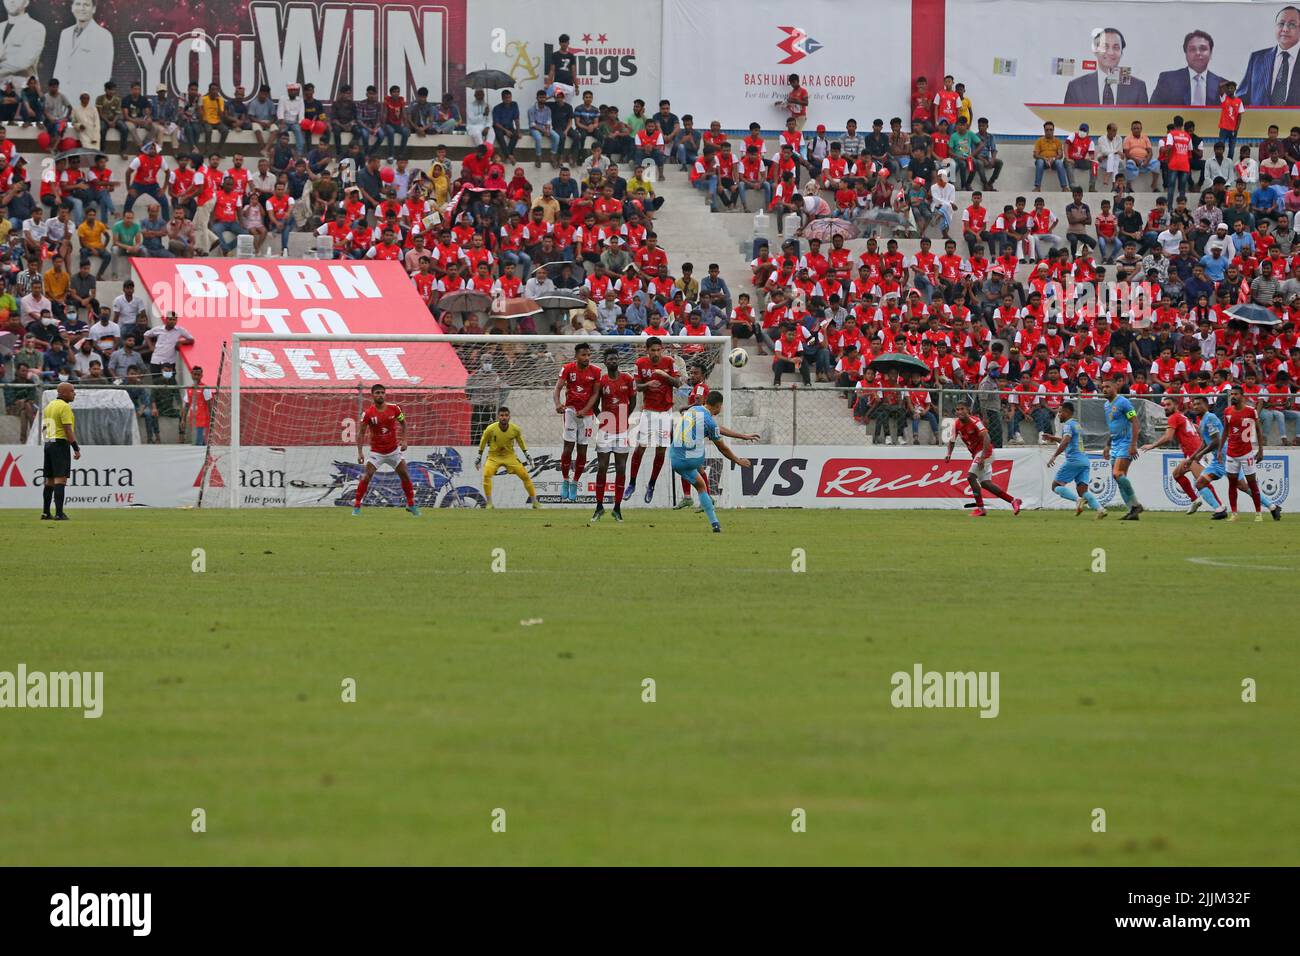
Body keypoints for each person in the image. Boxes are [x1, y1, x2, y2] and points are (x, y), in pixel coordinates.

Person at [669, 391, 754, 533]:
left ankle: (715, 524)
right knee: (701, 449)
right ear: (718, 406)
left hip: (675, 460)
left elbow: (716, 428)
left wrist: (742, 436)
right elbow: (722, 448)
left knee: (701, 486)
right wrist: (737, 460)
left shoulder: (693, 409)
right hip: (693, 459)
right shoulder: (709, 422)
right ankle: (709, 506)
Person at [1188, 393, 1281, 521]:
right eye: (1194, 404)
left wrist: (1200, 454)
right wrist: (1193, 457)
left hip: (1226, 456)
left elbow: (1216, 441)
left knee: (1242, 486)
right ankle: (1220, 510)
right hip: (1218, 460)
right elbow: (1205, 442)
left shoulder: (1210, 418)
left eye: (1199, 404)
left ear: (1207, 405)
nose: (1196, 406)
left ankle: (1271, 506)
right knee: (1200, 483)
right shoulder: (1202, 420)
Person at [1141, 394, 1222, 513]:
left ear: (1176, 405)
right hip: (1192, 452)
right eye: (1164, 405)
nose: (1165, 407)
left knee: (1202, 482)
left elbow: (1168, 437)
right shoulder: (1182, 417)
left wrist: (1152, 445)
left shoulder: (1174, 417)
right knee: (1177, 474)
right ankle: (1195, 500)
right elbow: (1196, 428)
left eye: (1168, 405)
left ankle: (1220, 508)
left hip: (1194, 453)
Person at [945, 399, 1021, 517]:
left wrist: (982, 456)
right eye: (957, 409)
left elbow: (987, 438)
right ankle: (1013, 501)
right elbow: (952, 441)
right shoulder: (956, 424)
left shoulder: (975, 421)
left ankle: (981, 509)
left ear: (968, 410)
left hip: (985, 452)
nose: (959, 412)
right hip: (977, 454)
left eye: (962, 409)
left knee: (970, 476)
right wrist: (949, 453)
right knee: (986, 484)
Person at [352, 383, 419, 516]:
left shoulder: (395, 409)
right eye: (377, 393)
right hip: (377, 452)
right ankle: (357, 505)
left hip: (393, 451)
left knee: (405, 474)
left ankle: (411, 504)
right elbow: (361, 433)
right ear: (372, 395)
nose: (380, 395)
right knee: (367, 476)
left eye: (382, 393)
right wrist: (360, 452)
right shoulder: (368, 413)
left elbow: (404, 424)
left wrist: (404, 440)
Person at [626, 335, 679, 502]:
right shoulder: (640, 363)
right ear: (647, 350)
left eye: (658, 350)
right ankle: (632, 483)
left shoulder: (669, 362)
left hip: (666, 412)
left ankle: (651, 484)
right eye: (653, 350)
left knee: (661, 450)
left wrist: (664, 375)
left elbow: (678, 383)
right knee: (640, 447)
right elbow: (636, 386)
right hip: (648, 411)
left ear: (661, 349)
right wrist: (648, 384)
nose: (656, 353)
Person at [589, 348, 636, 524]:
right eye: (610, 359)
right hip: (605, 430)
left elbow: (633, 402)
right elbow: (594, 404)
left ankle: (617, 508)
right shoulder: (601, 381)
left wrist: (624, 417)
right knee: (602, 467)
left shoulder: (628, 379)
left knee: (621, 468)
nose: (613, 361)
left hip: (622, 430)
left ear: (619, 360)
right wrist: (602, 418)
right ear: (605, 362)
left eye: (615, 358)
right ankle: (599, 506)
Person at [552, 341, 601, 502]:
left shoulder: (596, 371)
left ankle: (575, 482)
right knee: (568, 448)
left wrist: (586, 409)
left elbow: (595, 394)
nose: (587, 357)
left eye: (588, 354)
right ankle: (565, 480)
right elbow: (557, 388)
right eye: (583, 355)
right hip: (571, 412)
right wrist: (558, 404)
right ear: (576, 356)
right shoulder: (567, 368)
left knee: (582, 450)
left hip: (587, 415)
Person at [1043, 401, 1107, 518]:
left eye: (1060, 412)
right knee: (1083, 491)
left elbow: (1066, 441)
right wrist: (1053, 438)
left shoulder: (1067, 425)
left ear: (1067, 412)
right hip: (1084, 461)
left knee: (1055, 486)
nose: (1058, 415)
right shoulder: (1076, 424)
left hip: (1074, 460)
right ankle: (1100, 509)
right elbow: (1068, 440)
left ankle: (1078, 500)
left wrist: (1054, 455)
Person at [1063, 26, 1149, 104]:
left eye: (1116, 47)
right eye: (1105, 47)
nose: (1111, 52)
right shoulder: (1076, 87)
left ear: (1121, 53)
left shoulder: (1138, 87)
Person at [476, 405, 539, 510]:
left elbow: (521, 442)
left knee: (525, 476)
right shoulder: (490, 429)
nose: (504, 417)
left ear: (509, 417)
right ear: (498, 417)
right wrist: (479, 456)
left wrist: (527, 454)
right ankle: (489, 504)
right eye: (501, 415)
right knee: (487, 474)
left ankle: (535, 502)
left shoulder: (515, 429)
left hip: (510, 456)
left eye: (506, 415)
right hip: (493, 456)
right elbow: (483, 440)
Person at [1237, 5, 1300, 106]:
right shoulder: (1257, 59)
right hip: (1259, 117)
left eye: (1292, 24)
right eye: (1281, 24)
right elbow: (1241, 98)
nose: (1285, 29)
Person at [1100, 377, 1143, 519]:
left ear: (1115, 387)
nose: (1104, 389)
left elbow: (1135, 422)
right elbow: (1113, 427)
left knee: (1117, 474)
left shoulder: (1124, 402)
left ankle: (1136, 505)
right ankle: (1132, 511)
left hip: (1126, 442)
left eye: (1107, 386)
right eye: (1102, 387)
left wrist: (1133, 444)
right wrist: (1107, 444)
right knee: (1119, 478)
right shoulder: (1106, 405)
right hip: (1115, 444)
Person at [1151, 29, 1225, 106]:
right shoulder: (1167, 80)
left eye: (1203, 49)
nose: (1198, 53)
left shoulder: (1224, 85)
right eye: (1192, 49)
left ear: (1211, 53)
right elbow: (1152, 110)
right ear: (1186, 54)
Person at [41, 380, 78, 520]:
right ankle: (59, 513)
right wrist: (75, 448)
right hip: (60, 444)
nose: (74, 393)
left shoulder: (49, 406)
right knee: (60, 480)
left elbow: (45, 428)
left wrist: (48, 444)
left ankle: (46, 512)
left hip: (49, 443)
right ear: (63, 392)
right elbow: (68, 429)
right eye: (72, 391)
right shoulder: (64, 407)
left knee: (50, 480)